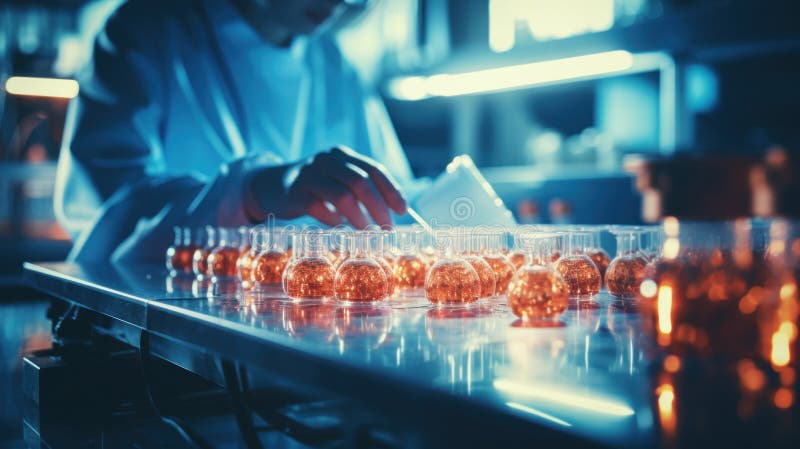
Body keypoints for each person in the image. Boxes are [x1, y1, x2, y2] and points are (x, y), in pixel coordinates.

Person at [55, 0, 420, 263]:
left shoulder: (331, 61)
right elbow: (109, 223)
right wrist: (250, 195)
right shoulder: (147, 30)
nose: (341, 2)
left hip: (301, 319)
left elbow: (398, 205)